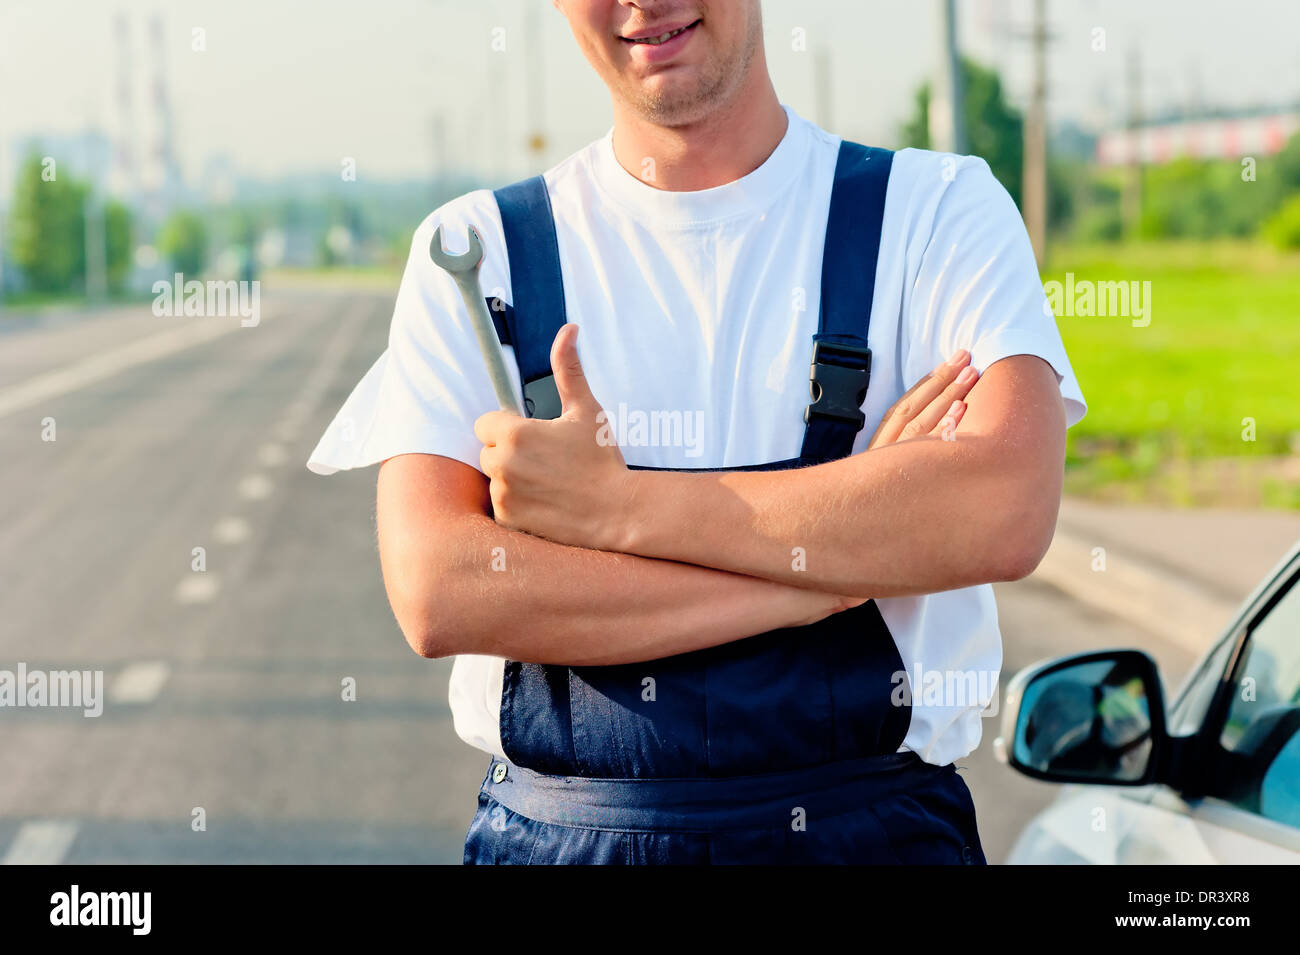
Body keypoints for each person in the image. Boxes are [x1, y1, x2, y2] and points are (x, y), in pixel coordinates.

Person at [307, 0, 1087, 864]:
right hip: (564, 836)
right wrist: (819, 579)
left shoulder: (937, 210)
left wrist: (614, 509)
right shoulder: (475, 251)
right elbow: (439, 588)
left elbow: (1004, 506)